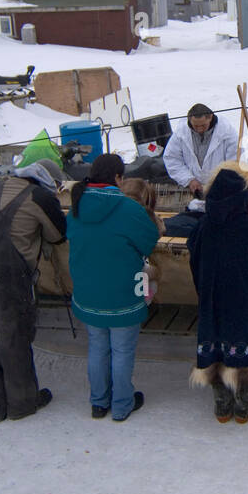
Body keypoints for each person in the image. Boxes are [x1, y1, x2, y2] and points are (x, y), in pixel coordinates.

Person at [0, 157, 66, 421]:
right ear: (49, 182)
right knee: (13, 337)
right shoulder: (40, 196)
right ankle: (22, 403)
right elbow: (57, 234)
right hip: (7, 272)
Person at [187, 163, 248, 424]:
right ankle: (245, 405)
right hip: (245, 301)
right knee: (245, 349)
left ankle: (222, 405)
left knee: (216, 348)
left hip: (211, 300)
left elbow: (193, 255)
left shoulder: (202, 227)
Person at [67, 154, 160, 421]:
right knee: (121, 350)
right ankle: (121, 405)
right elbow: (150, 240)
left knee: (97, 347)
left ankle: (98, 402)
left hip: (87, 292)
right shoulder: (128, 208)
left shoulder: (75, 205)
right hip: (123, 293)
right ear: (119, 178)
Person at [163, 103, 239, 195]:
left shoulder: (227, 133)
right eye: (195, 126)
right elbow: (171, 158)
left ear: (210, 117)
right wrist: (189, 180)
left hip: (221, 189)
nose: (199, 129)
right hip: (192, 190)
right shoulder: (181, 133)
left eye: (203, 125)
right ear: (189, 120)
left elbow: (234, 163)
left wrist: (220, 183)